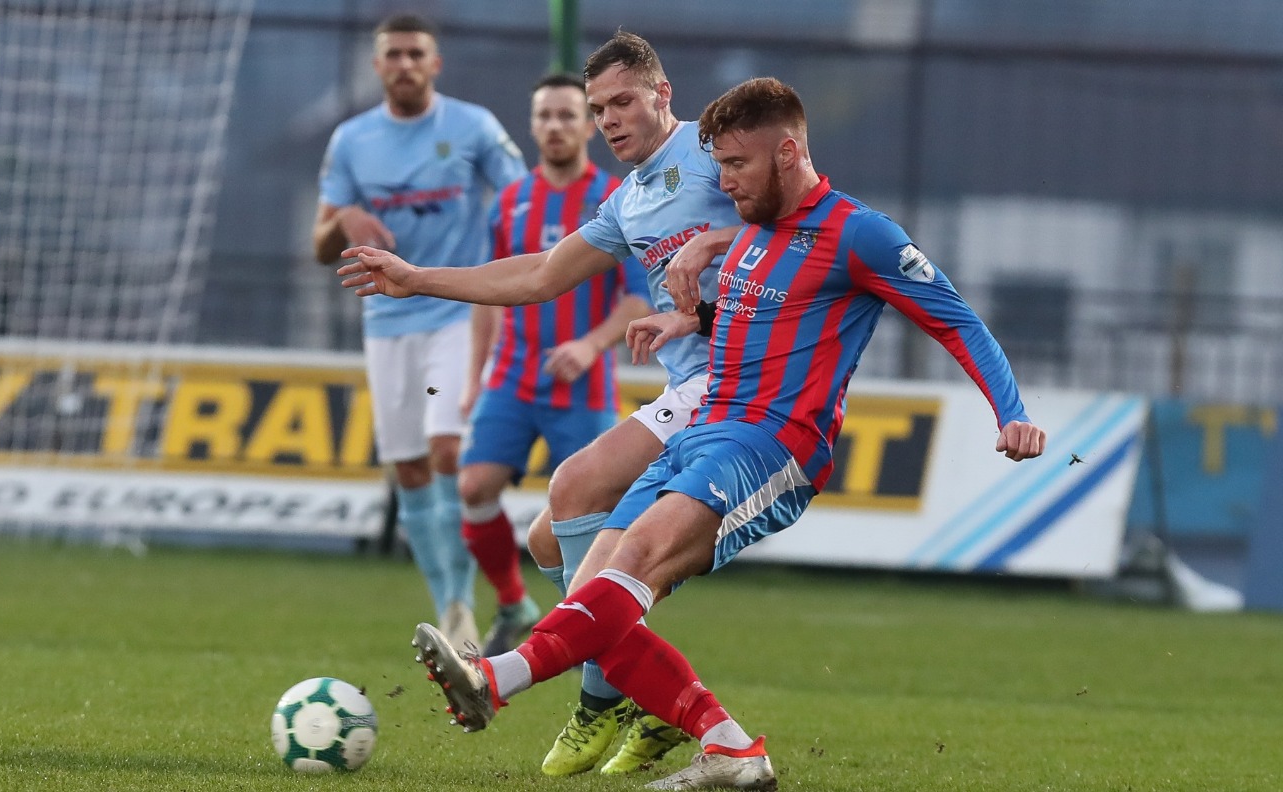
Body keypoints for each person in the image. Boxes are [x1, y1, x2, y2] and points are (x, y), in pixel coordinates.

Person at [399, 76, 1049, 790]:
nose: (725, 180)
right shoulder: (750, 235)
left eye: (737, 164)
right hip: (703, 428)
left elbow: (957, 320)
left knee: (634, 558)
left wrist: (1011, 411)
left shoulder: (860, 233)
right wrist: (691, 320)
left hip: (771, 443)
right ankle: (727, 745)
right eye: (720, 164)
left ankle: (493, 680)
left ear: (788, 153)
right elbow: (765, 313)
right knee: (594, 592)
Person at [339, 31, 744, 778]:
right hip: (688, 388)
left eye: (622, 102)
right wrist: (417, 278)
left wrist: (713, 242)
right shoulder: (627, 200)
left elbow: (802, 222)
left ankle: (599, 700)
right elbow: (538, 276)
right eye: (599, 109)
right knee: (548, 540)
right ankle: (644, 700)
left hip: (746, 386)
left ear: (663, 94)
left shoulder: (715, 150)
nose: (608, 120)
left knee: (575, 496)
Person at [312, 13, 527, 647]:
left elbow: (523, 199)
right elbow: (320, 245)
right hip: (385, 321)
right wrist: (344, 218)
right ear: (377, 66)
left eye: (415, 53)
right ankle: (459, 607)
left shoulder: (472, 127)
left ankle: (475, 607)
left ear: (435, 63)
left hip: (455, 310)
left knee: (447, 452)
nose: (405, 64)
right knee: (408, 468)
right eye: (394, 54)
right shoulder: (352, 140)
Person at [459, 72, 652, 657]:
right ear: (532, 124)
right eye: (545, 115)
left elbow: (639, 300)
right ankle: (513, 603)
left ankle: (593, 635)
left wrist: (590, 345)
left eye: (568, 115)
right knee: (474, 486)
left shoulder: (617, 198)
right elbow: (488, 295)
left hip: (583, 386)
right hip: (512, 378)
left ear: (589, 126)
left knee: (589, 516)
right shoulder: (510, 201)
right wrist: (473, 379)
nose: (555, 126)